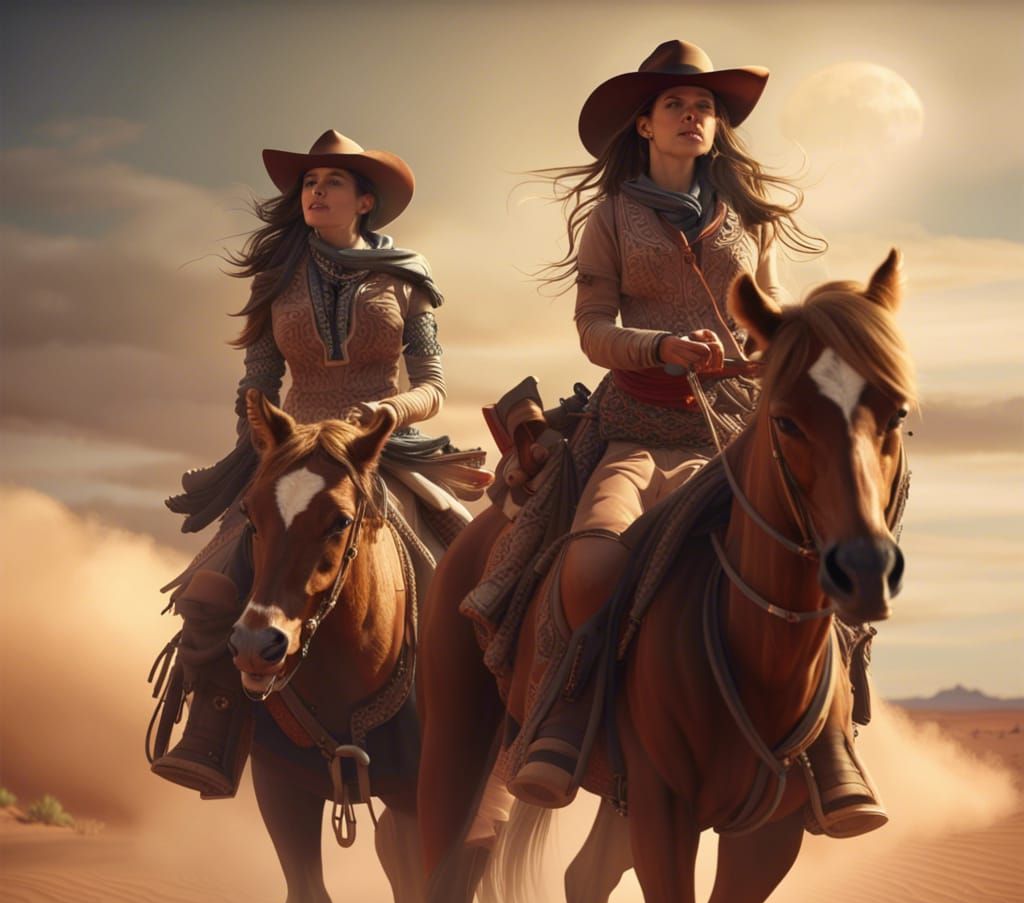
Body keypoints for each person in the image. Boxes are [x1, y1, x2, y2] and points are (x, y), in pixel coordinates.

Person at [497, 40, 886, 837]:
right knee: (595, 552)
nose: (693, 115)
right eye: (676, 104)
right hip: (637, 427)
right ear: (644, 123)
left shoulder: (748, 219)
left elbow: (769, 313)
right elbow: (591, 327)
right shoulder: (611, 217)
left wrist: (760, 353)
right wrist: (659, 348)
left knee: (828, 543)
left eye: (705, 106)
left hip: (741, 427)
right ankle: (566, 716)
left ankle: (831, 745)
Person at [149, 130, 488, 798]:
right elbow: (258, 380)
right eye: (309, 183)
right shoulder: (277, 281)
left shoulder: (406, 280)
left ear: (365, 201)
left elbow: (434, 383)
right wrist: (261, 441)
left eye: (332, 182)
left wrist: (392, 411)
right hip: (290, 452)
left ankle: (489, 725)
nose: (316, 192)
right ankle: (212, 727)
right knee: (210, 589)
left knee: (477, 568)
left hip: (376, 450)